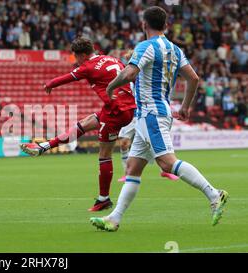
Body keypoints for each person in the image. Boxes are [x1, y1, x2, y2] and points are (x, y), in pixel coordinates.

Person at [90, 6, 228, 232]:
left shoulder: (145, 46)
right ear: (165, 25)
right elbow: (193, 78)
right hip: (150, 114)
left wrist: (112, 86)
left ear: (144, 25)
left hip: (152, 114)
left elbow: (130, 73)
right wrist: (185, 106)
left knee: (167, 162)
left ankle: (215, 194)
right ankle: (114, 219)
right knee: (133, 168)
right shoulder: (175, 49)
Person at [20, 37, 136, 212]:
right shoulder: (110, 58)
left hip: (116, 111)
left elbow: (69, 77)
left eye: (76, 57)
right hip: (122, 106)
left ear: (82, 55)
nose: (76, 61)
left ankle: (103, 199)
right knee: (83, 124)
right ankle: (43, 146)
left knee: (104, 154)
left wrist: (50, 84)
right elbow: (130, 75)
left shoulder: (88, 66)